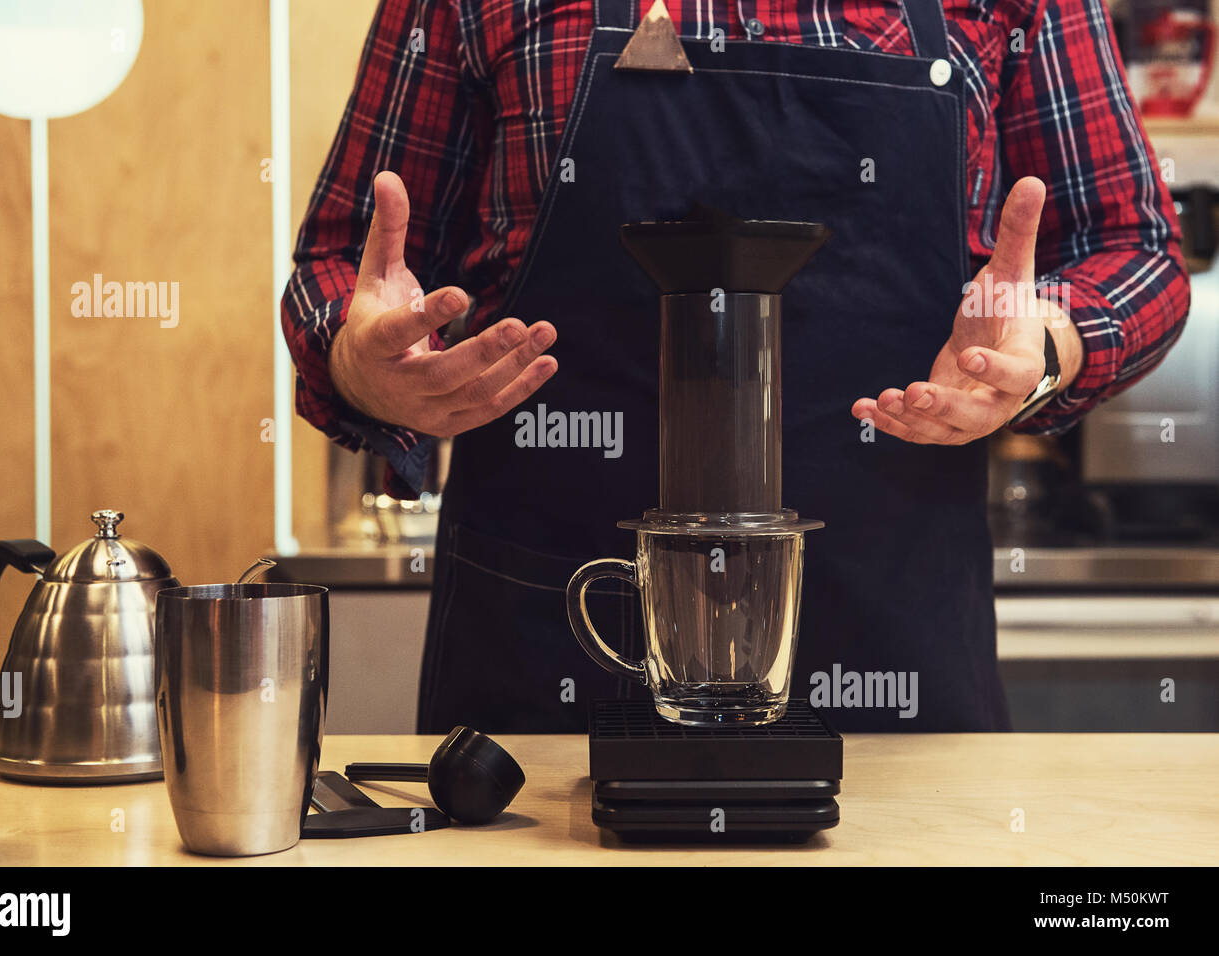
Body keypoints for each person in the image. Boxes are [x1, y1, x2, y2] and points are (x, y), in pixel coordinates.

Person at [283, 0, 1188, 733]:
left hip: (893, 660)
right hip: (553, 658)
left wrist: (1042, 348)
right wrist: (364, 365)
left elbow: (1134, 248)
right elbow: (343, 263)